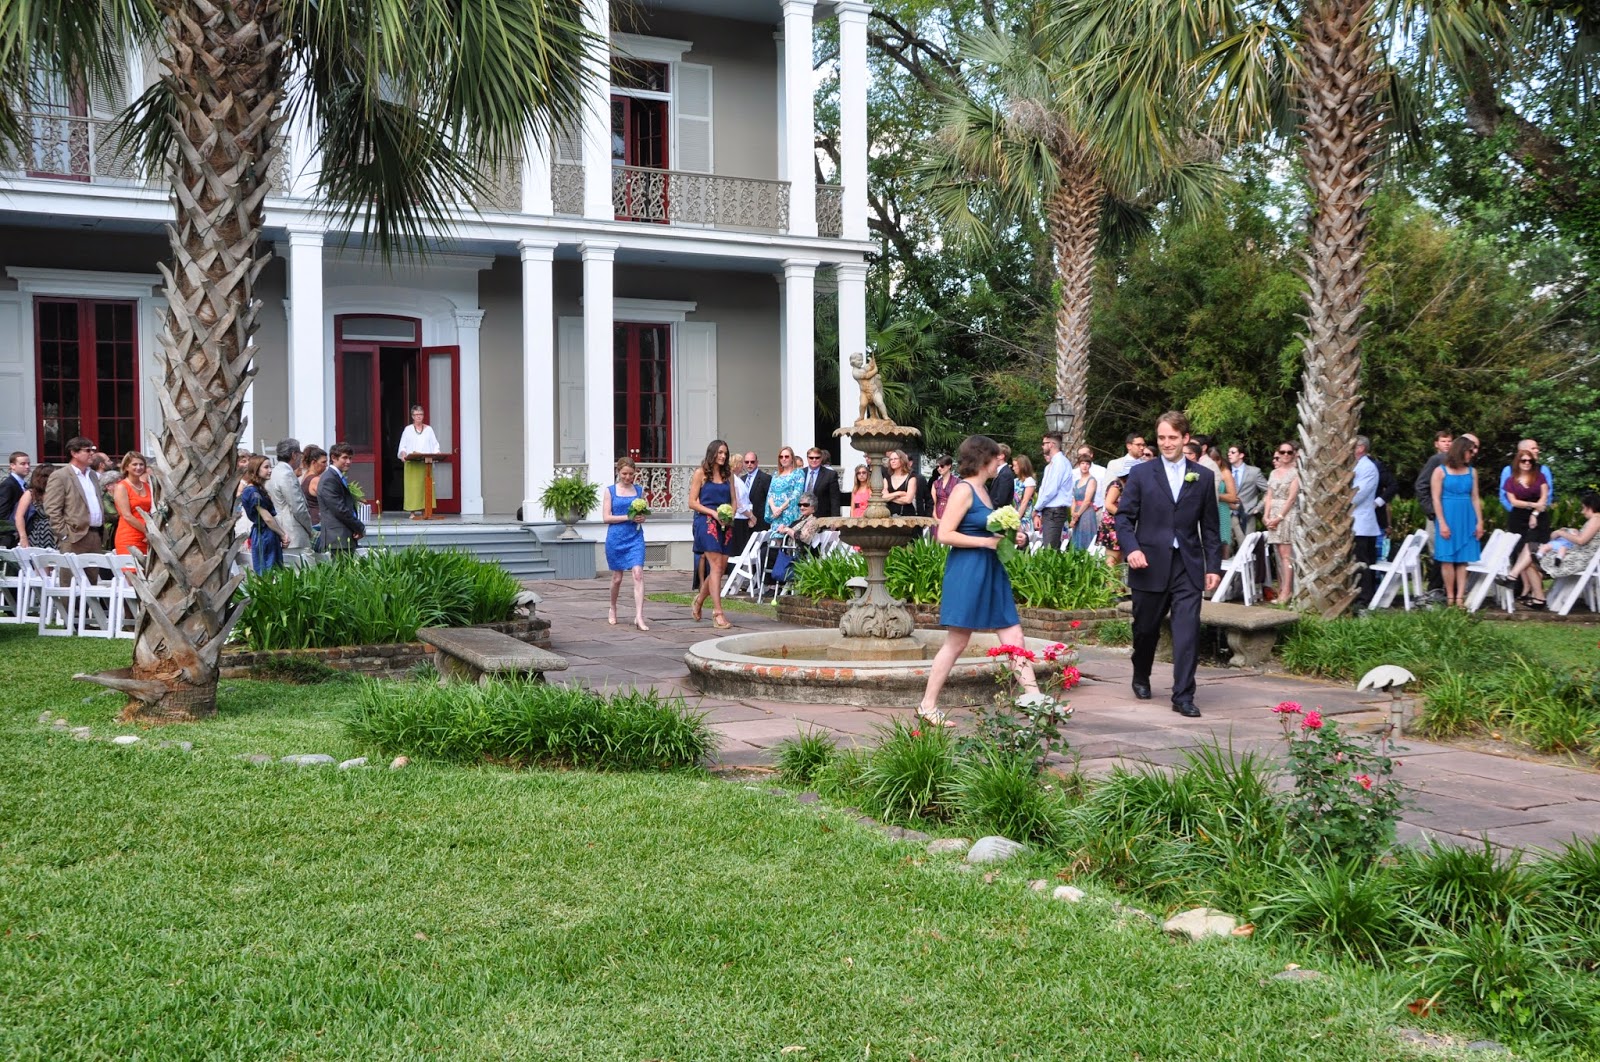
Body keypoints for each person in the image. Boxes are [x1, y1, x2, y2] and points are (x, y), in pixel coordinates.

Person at [916, 434, 1049, 728]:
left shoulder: (985, 491)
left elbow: (988, 531)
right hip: (968, 571)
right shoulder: (964, 490)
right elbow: (945, 534)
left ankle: (1034, 699)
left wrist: (1013, 537)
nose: (1000, 460)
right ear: (983, 460)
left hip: (992, 570)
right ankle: (927, 705)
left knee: (1013, 635)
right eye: (995, 457)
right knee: (957, 642)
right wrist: (985, 543)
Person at [1114, 411, 1222, 719]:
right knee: (1145, 631)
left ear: (1186, 439)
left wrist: (1212, 566)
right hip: (1147, 563)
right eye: (1161, 438)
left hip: (1187, 565)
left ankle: (1183, 695)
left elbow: (1211, 528)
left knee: (1187, 631)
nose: (1166, 443)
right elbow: (1123, 518)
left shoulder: (1203, 477)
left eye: (1172, 437)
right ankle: (1141, 673)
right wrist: (1131, 549)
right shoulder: (1141, 474)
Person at [1430, 436, 1483, 607]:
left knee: (1463, 559)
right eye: (1470, 451)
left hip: (1466, 515)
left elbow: (1475, 498)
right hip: (1447, 515)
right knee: (1447, 558)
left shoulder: (1472, 472)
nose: (1472, 454)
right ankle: (1450, 596)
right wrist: (1442, 523)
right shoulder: (1440, 471)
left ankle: (1460, 597)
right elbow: (1436, 499)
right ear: (1461, 451)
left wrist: (1479, 521)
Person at [689, 439, 736, 630]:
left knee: (721, 567)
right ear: (712, 453)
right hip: (706, 521)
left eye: (725, 453)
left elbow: (734, 501)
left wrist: (729, 514)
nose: (723, 456)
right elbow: (692, 502)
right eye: (720, 453)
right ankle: (717, 613)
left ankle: (699, 599)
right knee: (715, 565)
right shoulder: (701, 473)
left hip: (725, 523)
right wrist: (713, 513)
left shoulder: (729, 475)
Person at [1499, 447, 1550, 608]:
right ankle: (1538, 596)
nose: (1527, 463)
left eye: (1530, 460)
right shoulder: (1511, 480)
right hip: (1517, 518)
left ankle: (1515, 579)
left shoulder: (1539, 477)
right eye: (1523, 460)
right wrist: (1532, 504)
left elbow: (1544, 499)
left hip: (1538, 519)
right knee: (1524, 557)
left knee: (1531, 555)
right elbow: (1513, 501)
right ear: (1518, 462)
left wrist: (1534, 513)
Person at [603, 457, 650, 631]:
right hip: (616, 537)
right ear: (618, 472)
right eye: (624, 473)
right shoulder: (610, 491)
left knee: (638, 573)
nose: (628, 477)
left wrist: (641, 518)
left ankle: (639, 616)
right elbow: (606, 517)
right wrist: (627, 517)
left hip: (635, 537)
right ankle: (613, 607)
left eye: (631, 474)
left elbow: (642, 512)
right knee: (617, 578)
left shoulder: (639, 490)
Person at [42, 436, 106, 560]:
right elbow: (52, 508)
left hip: (95, 534)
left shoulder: (92, 475)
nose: (92, 453)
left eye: (93, 450)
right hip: (74, 537)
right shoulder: (60, 476)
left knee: (92, 578)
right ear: (74, 453)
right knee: (70, 578)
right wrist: (64, 535)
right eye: (87, 450)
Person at [1263, 442, 1301, 602]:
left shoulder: (1296, 473)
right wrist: (1266, 516)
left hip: (1287, 514)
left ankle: (1287, 591)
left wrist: (1279, 517)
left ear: (1293, 454)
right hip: (1273, 512)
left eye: (1289, 452)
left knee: (1286, 555)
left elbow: (1292, 498)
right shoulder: (1273, 473)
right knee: (1279, 553)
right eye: (1282, 452)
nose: (1285, 455)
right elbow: (1269, 495)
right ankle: (1282, 589)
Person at [1532, 492, 1600, 581]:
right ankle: (1528, 585)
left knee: (1530, 555)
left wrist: (1562, 533)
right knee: (1531, 554)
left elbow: (1581, 541)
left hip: (1580, 558)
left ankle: (1529, 585)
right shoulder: (1595, 519)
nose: (1582, 512)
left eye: (1583, 508)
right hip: (1579, 554)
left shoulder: (1596, 519)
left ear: (1590, 507)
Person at [237, 455, 285, 574]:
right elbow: (267, 518)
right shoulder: (253, 492)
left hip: (266, 533)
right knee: (268, 570)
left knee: (273, 570)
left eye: (270, 467)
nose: (270, 470)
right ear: (256, 469)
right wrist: (283, 534)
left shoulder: (258, 489)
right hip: (263, 534)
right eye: (266, 467)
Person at [267, 438, 315, 555]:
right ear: (294, 455)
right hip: (294, 532)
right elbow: (298, 507)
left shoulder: (275, 471)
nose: (301, 458)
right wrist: (310, 529)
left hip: (282, 530)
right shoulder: (286, 474)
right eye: (300, 454)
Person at [318, 442, 366, 554]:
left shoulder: (336, 477)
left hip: (344, 537)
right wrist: (359, 526)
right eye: (344, 458)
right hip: (337, 539)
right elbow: (340, 509)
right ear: (333, 458)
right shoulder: (329, 479)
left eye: (350, 458)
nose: (348, 462)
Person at [395, 405, 441, 518]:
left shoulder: (429, 430)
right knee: (413, 488)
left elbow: (435, 445)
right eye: (416, 415)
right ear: (412, 417)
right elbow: (403, 446)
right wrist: (403, 453)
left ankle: (426, 510)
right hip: (412, 463)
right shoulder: (408, 429)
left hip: (425, 463)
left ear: (423, 416)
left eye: (420, 414)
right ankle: (413, 512)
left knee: (426, 486)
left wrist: (437, 453)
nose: (418, 417)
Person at [1352, 435, 1380, 608]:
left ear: (1361, 448)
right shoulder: (1356, 466)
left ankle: (1364, 600)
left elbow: (1358, 495)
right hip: (1354, 523)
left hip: (1361, 524)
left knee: (1362, 563)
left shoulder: (1368, 468)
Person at [1034, 431, 1071, 550]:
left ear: (1051, 444)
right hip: (1049, 511)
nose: (1042, 446)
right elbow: (1043, 489)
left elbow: (1051, 490)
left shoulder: (1060, 462)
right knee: (1048, 548)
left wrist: (1037, 508)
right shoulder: (1052, 464)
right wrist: (1039, 512)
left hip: (1055, 511)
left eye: (1044, 443)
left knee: (1050, 550)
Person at [111, 452, 153, 556]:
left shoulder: (147, 486)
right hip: (129, 535)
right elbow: (127, 515)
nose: (138, 467)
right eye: (134, 464)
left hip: (148, 536)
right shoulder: (121, 487)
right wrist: (147, 532)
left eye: (141, 464)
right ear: (126, 467)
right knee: (131, 570)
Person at [1498, 438, 1554, 514]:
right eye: (1533, 448)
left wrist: (1535, 514)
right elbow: (1504, 496)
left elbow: (1548, 495)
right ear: (1521, 451)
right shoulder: (1508, 470)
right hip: (1516, 515)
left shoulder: (1543, 470)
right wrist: (1517, 512)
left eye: (1537, 448)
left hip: (1539, 514)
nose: (1537, 451)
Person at [1227, 445, 1267, 541]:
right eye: (1228, 452)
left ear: (1241, 455)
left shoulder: (1254, 472)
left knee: (1247, 546)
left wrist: (1258, 508)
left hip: (1247, 512)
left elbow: (1268, 491)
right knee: (1227, 547)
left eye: (1233, 452)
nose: (1229, 454)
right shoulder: (1225, 471)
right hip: (1228, 513)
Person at [13, 465, 56, 550]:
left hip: (57, 532)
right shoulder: (31, 493)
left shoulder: (57, 492)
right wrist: (23, 537)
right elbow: (19, 516)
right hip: (40, 533)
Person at [765, 446, 804, 532]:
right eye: (781, 457)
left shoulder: (798, 473)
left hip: (789, 515)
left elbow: (796, 494)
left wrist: (780, 509)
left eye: (786, 456)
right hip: (776, 516)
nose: (784, 459)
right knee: (774, 541)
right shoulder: (776, 474)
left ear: (792, 458)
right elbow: (770, 493)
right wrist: (774, 508)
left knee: (786, 542)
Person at [1068, 447, 1099, 549]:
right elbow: (1074, 499)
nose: (1085, 466)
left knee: (1085, 539)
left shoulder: (1092, 480)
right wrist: (1072, 513)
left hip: (1086, 513)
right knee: (1076, 539)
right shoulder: (1077, 481)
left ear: (1090, 466)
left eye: (1087, 464)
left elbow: (1087, 501)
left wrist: (1077, 515)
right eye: (1082, 463)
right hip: (1077, 511)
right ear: (1079, 464)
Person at [0, 451, 30, 549]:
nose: (27, 467)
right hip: (11, 535)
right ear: (12, 466)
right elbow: (2, 512)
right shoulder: (8, 485)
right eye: (23, 464)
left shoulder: (23, 484)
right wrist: (13, 531)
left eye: (28, 464)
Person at [300, 445, 327, 546]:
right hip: (317, 522)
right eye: (323, 462)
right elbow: (329, 499)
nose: (326, 465)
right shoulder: (315, 480)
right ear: (313, 462)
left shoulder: (305, 476)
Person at [1097, 473, 1127, 566]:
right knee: (1112, 559)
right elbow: (1109, 505)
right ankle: (1110, 581)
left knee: (1119, 560)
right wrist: (1124, 515)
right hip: (1113, 526)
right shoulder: (1116, 485)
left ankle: (1115, 580)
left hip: (1120, 524)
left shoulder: (1127, 485)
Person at [802, 448, 841, 518]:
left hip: (822, 517)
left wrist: (835, 518)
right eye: (811, 458)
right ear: (807, 458)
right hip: (801, 516)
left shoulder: (830, 475)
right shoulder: (801, 473)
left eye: (817, 458)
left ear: (821, 458)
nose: (814, 460)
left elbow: (835, 499)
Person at [882, 449, 920, 518]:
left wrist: (890, 498)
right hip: (889, 515)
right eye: (891, 459)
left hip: (907, 515)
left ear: (902, 460)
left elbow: (908, 500)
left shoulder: (911, 477)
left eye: (895, 459)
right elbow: (883, 497)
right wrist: (899, 493)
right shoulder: (887, 477)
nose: (893, 461)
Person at [987, 443, 1014, 519]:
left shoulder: (1005, 474)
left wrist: (988, 510)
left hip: (999, 515)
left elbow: (1001, 499)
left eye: (994, 454)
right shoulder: (1001, 472)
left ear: (1001, 456)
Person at [1011, 454, 1037, 523]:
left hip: (1025, 516)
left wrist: (1016, 519)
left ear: (1021, 467)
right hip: (1016, 512)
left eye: (1015, 466)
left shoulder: (1029, 481)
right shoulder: (1016, 481)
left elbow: (1025, 501)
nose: (1013, 468)